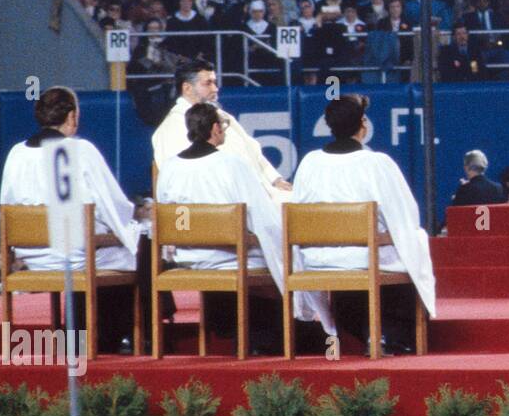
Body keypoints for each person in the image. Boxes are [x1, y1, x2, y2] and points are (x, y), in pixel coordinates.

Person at [156, 102, 334, 348]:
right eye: (224, 126)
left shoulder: (169, 167)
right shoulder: (231, 164)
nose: (225, 130)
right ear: (216, 128)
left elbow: (170, 213)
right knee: (285, 252)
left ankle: (247, 328)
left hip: (189, 255)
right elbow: (262, 216)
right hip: (229, 254)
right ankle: (291, 328)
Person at [0, 86, 162, 353]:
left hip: (34, 254)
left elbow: (7, 204)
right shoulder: (80, 149)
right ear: (72, 116)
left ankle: (78, 335)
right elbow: (113, 204)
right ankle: (121, 336)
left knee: (112, 242)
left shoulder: (17, 153)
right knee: (137, 241)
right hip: (74, 254)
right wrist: (134, 215)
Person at [291, 95, 436, 353]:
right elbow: (405, 214)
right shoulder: (376, 163)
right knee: (414, 240)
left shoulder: (309, 163)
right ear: (363, 125)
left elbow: (298, 210)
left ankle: (360, 329)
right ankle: (388, 333)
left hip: (317, 258)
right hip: (364, 256)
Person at [151, 59, 293, 203]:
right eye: (208, 83)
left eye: (214, 82)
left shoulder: (221, 116)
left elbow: (252, 149)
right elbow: (183, 183)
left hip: (258, 193)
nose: (215, 89)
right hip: (218, 204)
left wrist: (275, 179)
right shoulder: (172, 128)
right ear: (187, 88)